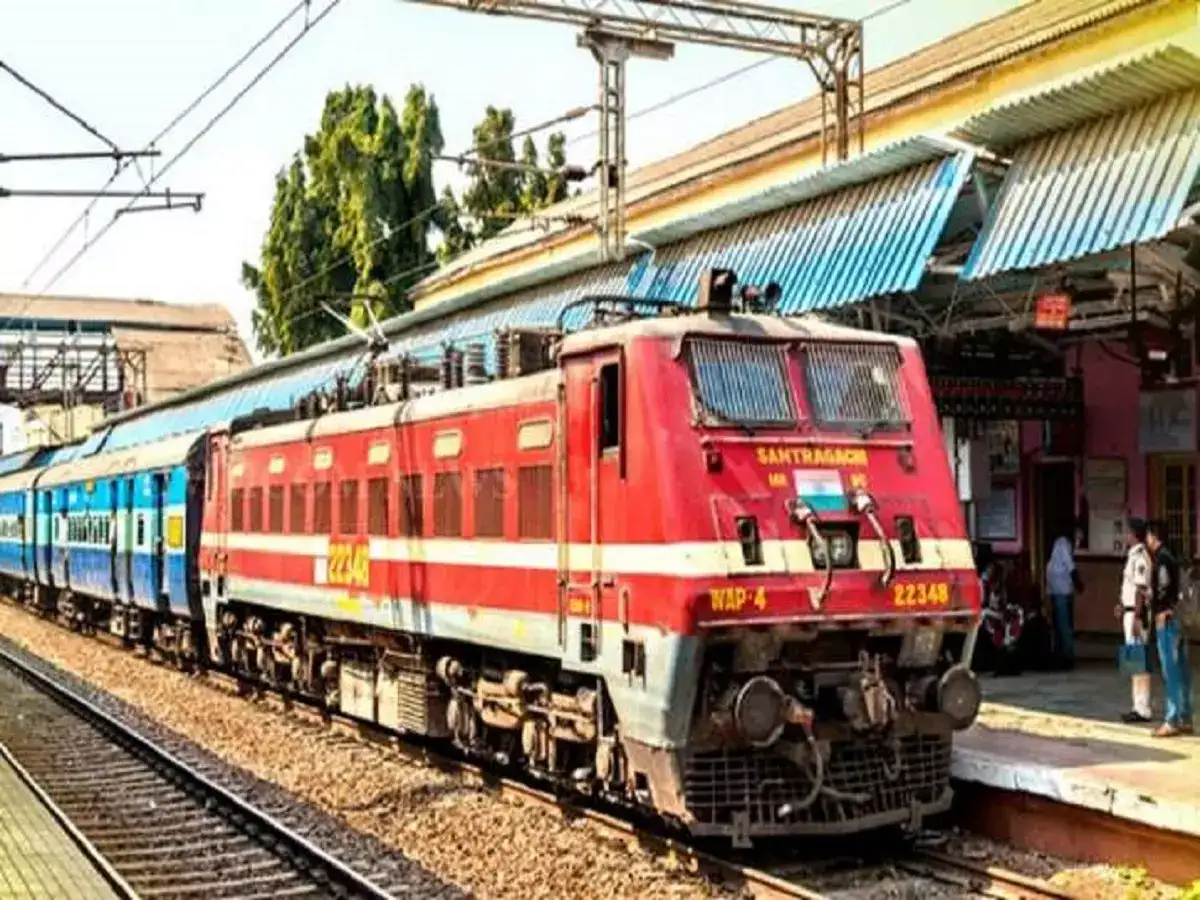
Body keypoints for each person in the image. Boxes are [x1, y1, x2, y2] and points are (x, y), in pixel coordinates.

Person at [1146, 521, 1193, 737]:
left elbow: (1164, 587)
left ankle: (1172, 718)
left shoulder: (1162, 559)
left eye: (1148, 536)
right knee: (1182, 669)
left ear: (1154, 537)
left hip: (1168, 620)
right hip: (1180, 619)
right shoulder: (1173, 556)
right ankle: (1185, 716)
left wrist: (1160, 610)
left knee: (1170, 670)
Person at [1117, 518, 1154, 723]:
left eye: (1128, 532)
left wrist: (1137, 618)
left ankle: (1143, 708)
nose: (1125, 536)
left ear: (1134, 534)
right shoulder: (1132, 555)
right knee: (1134, 662)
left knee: (1139, 661)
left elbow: (1140, 589)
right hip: (1130, 611)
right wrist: (1122, 605)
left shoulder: (1140, 557)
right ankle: (1137, 705)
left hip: (1137, 614)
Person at [1046, 521, 1081, 668]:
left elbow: (1069, 565)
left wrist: (1077, 582)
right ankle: (1063, 655)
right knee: (1062, 624)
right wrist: (1078, 582)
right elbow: (1070, 565)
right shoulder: (1062, 543)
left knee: (1062, 624)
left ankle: (1063, 655)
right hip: (1058, 589)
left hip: (1060, 589)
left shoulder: (1061, 543)